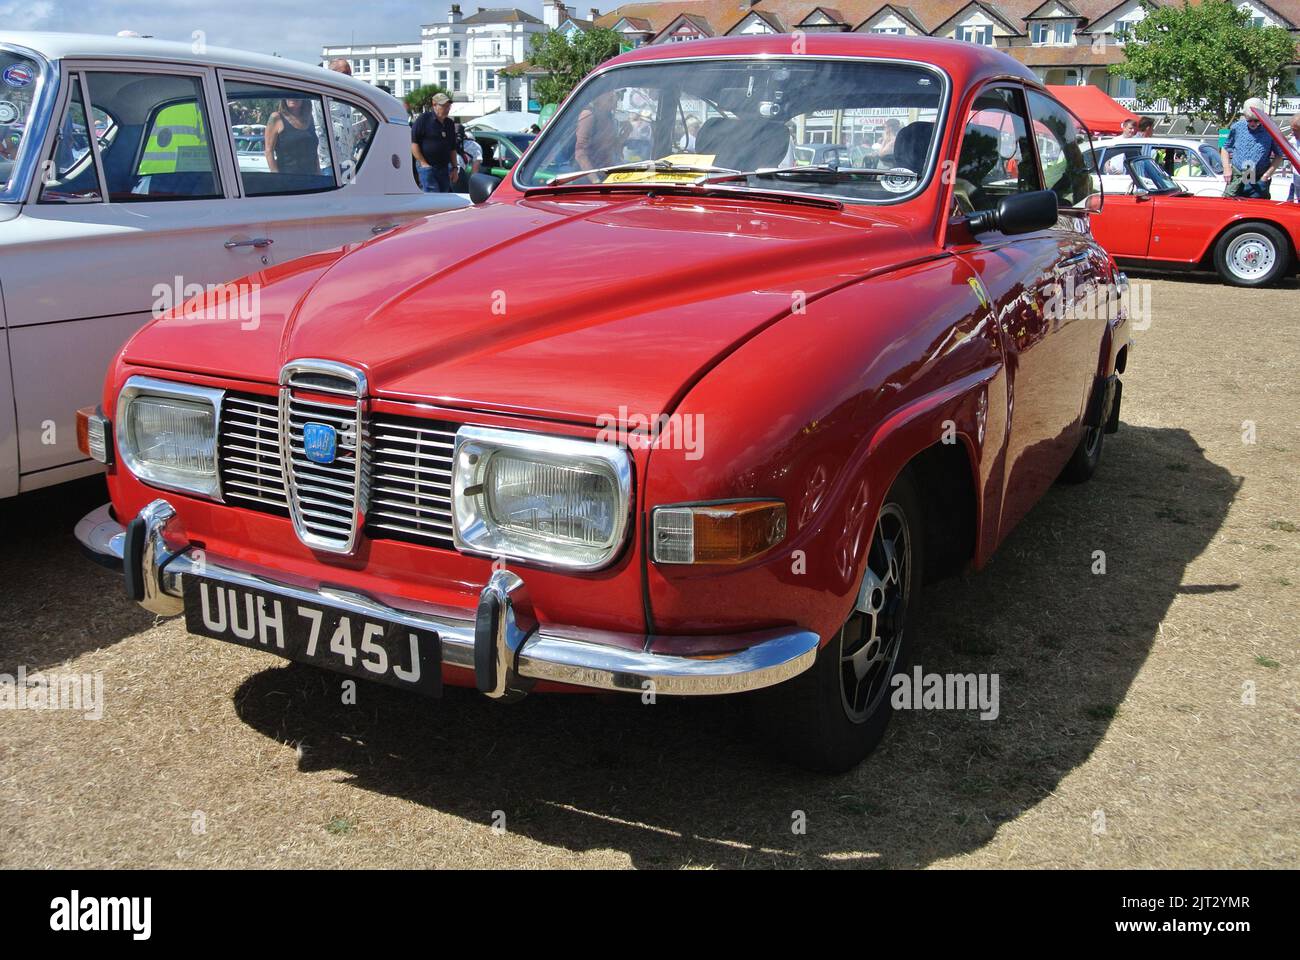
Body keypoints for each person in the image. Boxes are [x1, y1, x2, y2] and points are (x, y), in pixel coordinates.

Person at [1221, 98, 1284, 199]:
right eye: (1249, 120)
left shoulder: (1270, 130)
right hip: (1237, 178)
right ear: (1245, 116)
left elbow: (1279, 155)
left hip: (1259, 179)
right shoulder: (1237, 127)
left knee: (1256, 211)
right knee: (1229, 206)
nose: (1253, 124)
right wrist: (1226, 168)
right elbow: (1225, 148)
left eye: (1256, 120)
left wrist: (1266, 176)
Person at [411, 92, 456, 192]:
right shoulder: (423, 119)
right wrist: (423, 163)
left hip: (444, 168)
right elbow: (414, 144)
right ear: (434, 104)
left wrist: (455, 168)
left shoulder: (449, 123)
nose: (447, 109)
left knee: (443, 198)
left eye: (448, 106)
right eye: (444, 106)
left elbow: (453, 147)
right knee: (432, 198)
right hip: (428, 168)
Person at [265, 97, 319, 175]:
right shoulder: (276, 117)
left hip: (312, 177)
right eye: (288, 95)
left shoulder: (309, 118)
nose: (292, 98)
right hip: (288, 178)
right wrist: (276, 177)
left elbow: (313, 151)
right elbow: (268, 151)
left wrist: (319, 173)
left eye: (296, 96)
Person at [574, 88, 623, 171]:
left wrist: (626, 133)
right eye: (608, 92)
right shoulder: (588, 116)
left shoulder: (609, 117)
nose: (613, 95)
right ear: (597, 97)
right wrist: (595, 180)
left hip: (605, 171)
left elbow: (612, 147)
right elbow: (580, 154)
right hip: (587, 176)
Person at [453, 123, 482, 188]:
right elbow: (475, 169)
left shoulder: (472, 145)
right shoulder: (474, 146)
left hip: (445, 173)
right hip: (456, 173)